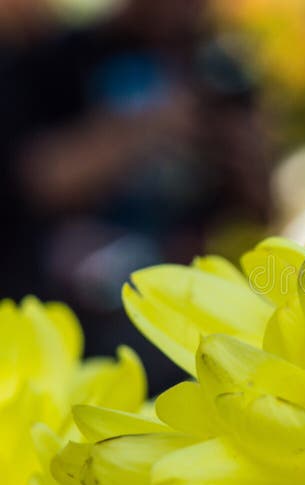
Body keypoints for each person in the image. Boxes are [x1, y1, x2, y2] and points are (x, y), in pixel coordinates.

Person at [0, 0, 271, 392]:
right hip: (77, 317)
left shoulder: (221, 68)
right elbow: (36, 180)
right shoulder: (60, 57)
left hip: (192, 313)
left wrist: (240, 155)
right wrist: (142, 131)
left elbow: (261, 209)